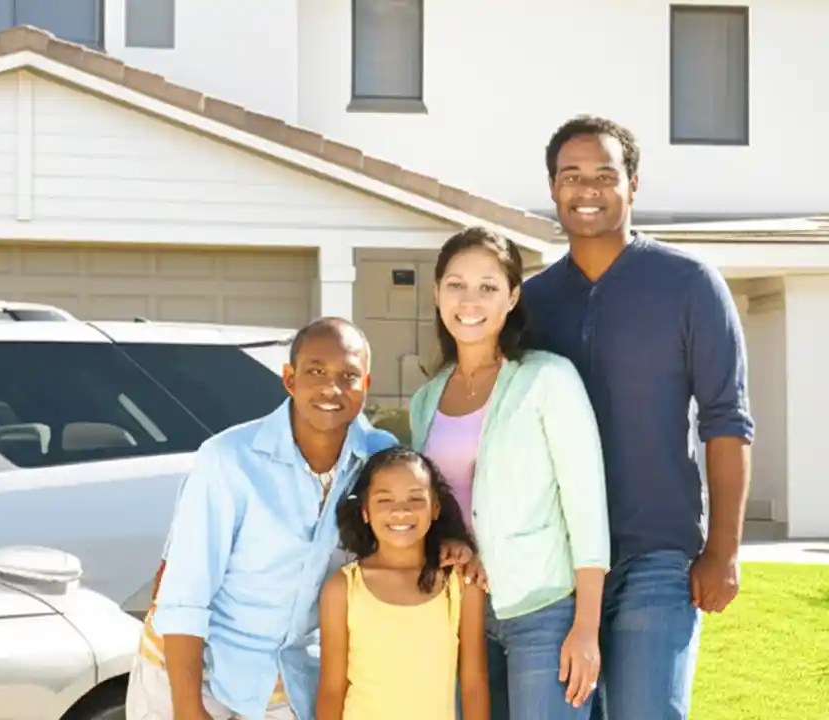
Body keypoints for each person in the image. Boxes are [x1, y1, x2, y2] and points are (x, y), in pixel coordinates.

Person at [522, 115, 755, 720]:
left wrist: (724, 548)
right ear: (552, 188)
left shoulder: (689, 285)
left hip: (657, 552)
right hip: (558, 561)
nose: (588, 189)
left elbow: (726, 418)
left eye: (605, 174)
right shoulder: (533, 303)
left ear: (633, 185)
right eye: (572, 176)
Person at [139, 317, 481, 720]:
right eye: (315, 371)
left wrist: (447, 542)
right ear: (289, 378)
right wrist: (187, 708)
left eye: (348, 376)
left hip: (288, 682)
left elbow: (406, 515)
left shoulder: (376, 457)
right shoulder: (228, 460)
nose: (330, 388)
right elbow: (184, 596)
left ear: (365, 385)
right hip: (195, 674)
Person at [408, 226, 612, 720]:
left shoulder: (548, 379)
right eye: (456, 284)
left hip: (543, 613)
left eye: (488, 286)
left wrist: (586, 628)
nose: (469, 300)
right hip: (458, 611)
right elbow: (431, 511)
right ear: (437, 293)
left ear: (512, 296)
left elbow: (586, 507)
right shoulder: (425, 400)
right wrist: (447, 545)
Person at [316, 447, 490, 720]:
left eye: (415, 499)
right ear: (365, 511)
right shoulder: (342, 589)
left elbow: (473, 681)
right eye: (385, 500)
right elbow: (331, 689)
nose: (401, 511)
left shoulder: (460, 583)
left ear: (435, 508)